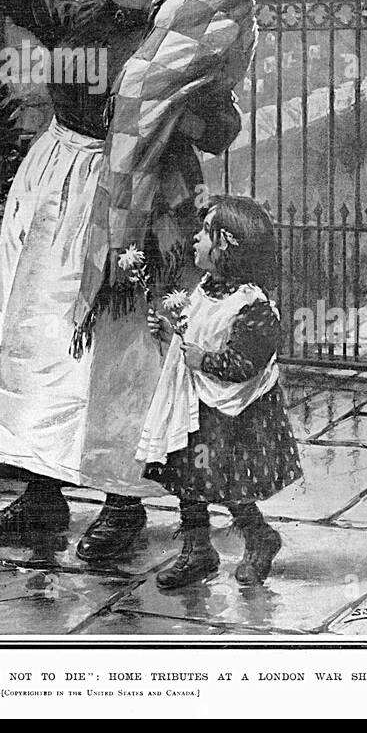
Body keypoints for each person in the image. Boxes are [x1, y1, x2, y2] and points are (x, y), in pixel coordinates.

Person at [0, 0, 187, 543]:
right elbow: (30, 6)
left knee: (113, 348)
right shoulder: (90, 16)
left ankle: (121, 505)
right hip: (52, 182)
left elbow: (205, 125)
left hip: (118, 199)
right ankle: (43, 493)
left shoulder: (168, 40)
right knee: (34, 338)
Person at [68, 0, 266, 560]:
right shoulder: (112, 22)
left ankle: (201, 530)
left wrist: (190, 118)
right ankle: (123, 503)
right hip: (119, 203)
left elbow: (222, 122)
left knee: (176, 364)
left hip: (168, 213)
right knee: (122, 360)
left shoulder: (188, 13)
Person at [142, 196, 302, 588]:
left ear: (226, 245)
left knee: (228, 483)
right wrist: (170, 335)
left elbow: (246, 364)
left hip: (234, 415)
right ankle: (197, 550)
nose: (195, 239)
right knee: (191, 479)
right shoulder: (205, 288)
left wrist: (204, 361)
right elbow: (195, 336)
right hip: (197, 405)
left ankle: (259, 537)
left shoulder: (253, 306)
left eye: (204, 234)